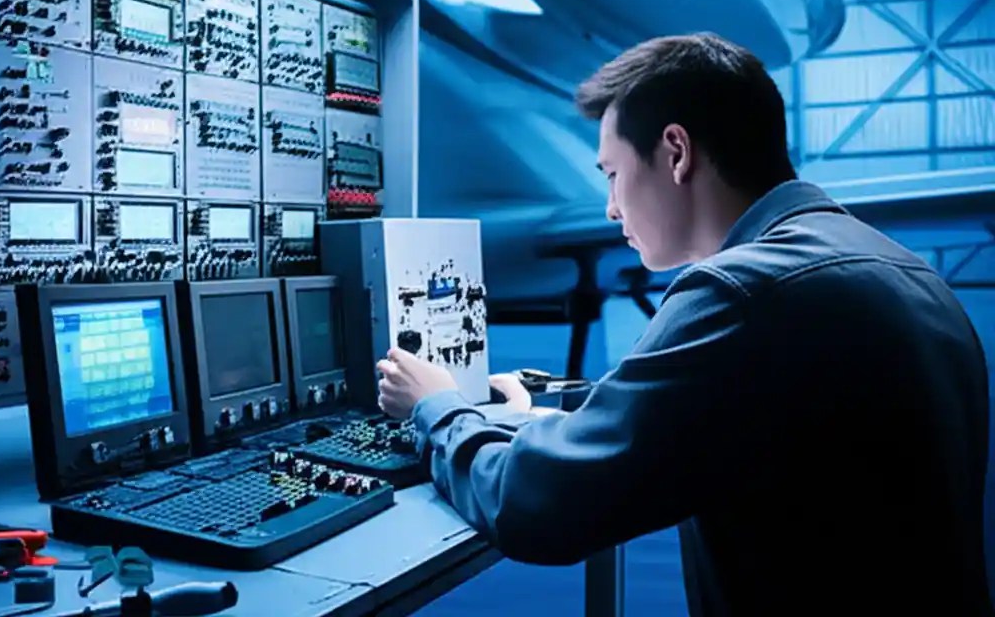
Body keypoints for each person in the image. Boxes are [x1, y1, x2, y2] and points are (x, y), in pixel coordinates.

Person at [376, 33, 993, 616]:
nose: (610, 207)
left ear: (676, 152)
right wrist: (537, 419)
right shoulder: (905, 272)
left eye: (612, 174)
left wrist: (439, 410)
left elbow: (538, 508)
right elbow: (742, 417)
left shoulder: (741, 294)